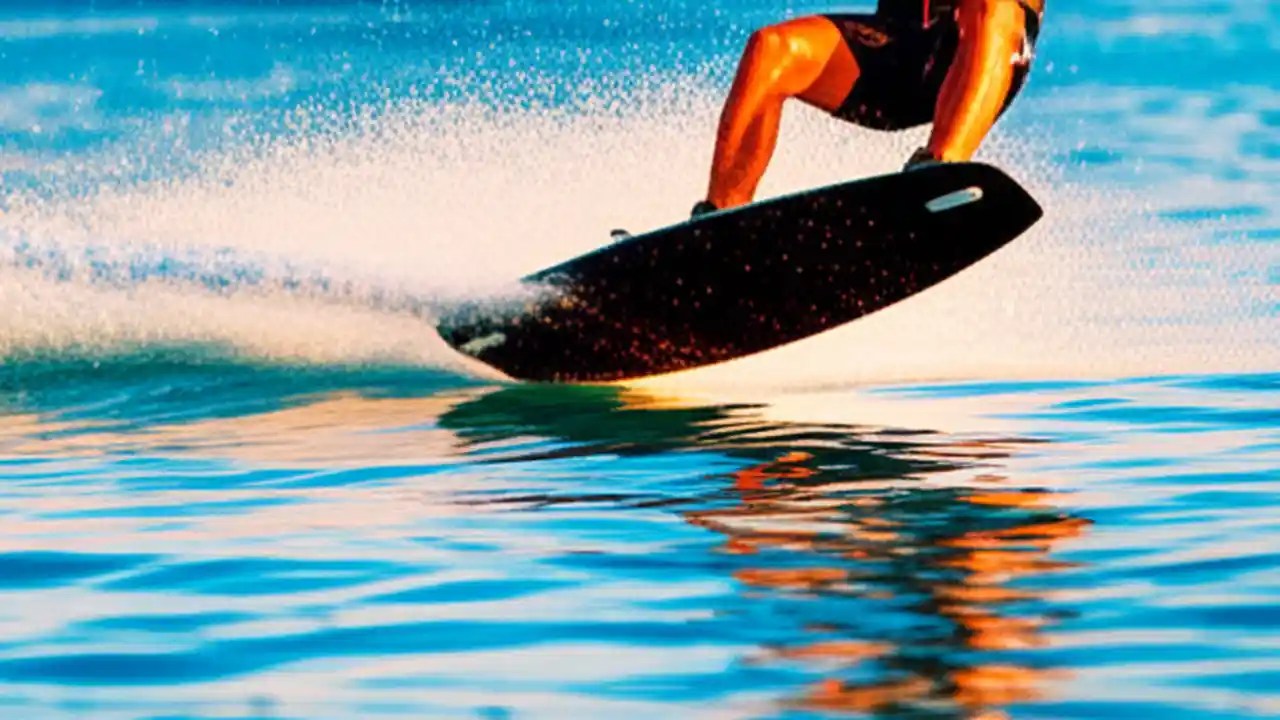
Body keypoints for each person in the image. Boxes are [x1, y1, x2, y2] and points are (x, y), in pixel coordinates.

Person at [692, 0, 1044, 216]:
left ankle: (940, 172)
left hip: (986, 53)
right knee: (772, 50)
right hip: (901, 55)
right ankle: (718, 221)